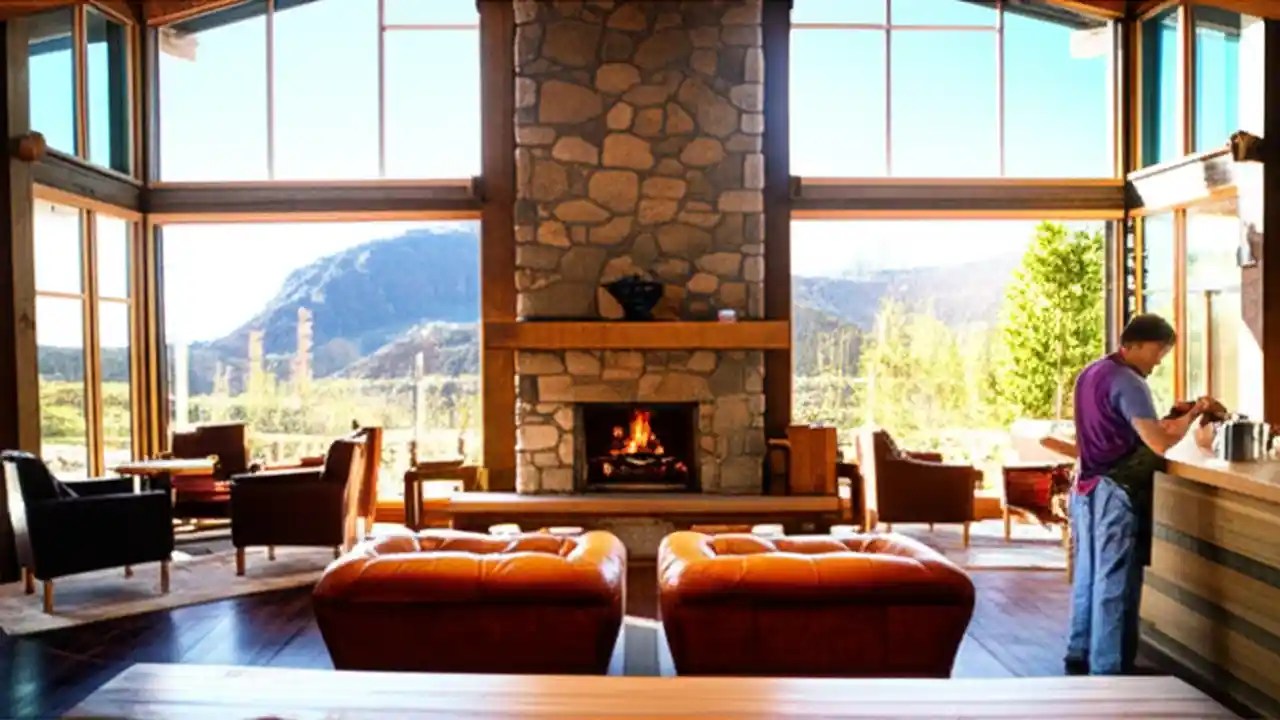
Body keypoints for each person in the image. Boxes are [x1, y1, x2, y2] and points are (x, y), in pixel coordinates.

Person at [1064, 314, 1214, 676]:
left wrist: (1176, 417)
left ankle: (1078, 652)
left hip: (1085, 487)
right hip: (1116, 491)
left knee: (1087, 575)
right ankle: (1108, 670)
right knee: (1113, 582)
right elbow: (1160, 443)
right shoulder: (1129, 382)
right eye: (1160, 350)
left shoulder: (1091, 373)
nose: (1160, 359)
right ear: (1139, 345)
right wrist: (1194, 415)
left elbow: (1122, 429)